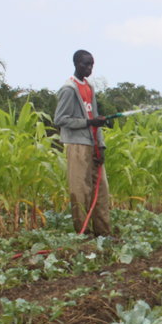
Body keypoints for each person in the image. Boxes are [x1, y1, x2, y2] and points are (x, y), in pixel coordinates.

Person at [53, 49, 112, 236]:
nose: (89, 68)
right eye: (85, 64)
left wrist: (100, 145)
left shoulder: (89, 87)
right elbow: (60, 119)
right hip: (77, 145)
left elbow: (94, 116)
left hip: (93, 143)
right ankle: (83, 234)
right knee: (80, 191)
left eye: (91, 65)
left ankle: (104, 234)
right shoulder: (69, 89)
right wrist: (87, 122)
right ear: (76, 64)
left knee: (101, 190)